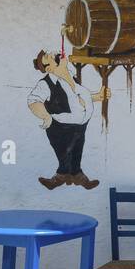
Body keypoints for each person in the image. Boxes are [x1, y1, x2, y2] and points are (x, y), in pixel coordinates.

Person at [26, 50, 110, 190]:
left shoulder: (69, 76)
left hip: (80, 124)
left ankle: (77, 175)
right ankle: (60, 177)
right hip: (60, 127)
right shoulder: (45, 84)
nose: (53, 54)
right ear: (48, 68)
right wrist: (45, 116)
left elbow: (78, 97)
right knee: (64, 155)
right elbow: (33, 101)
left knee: (77, 151)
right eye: (49, 56)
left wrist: (97, 97)